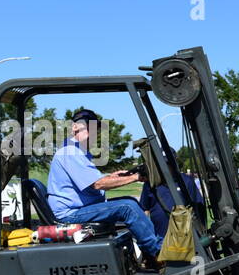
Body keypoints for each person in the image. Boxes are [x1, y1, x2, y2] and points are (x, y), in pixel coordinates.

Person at [46, 109, 163, 259]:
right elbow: (97, 184)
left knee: (131, 202)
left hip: (79, 208)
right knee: (127, 207)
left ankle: (150, 251)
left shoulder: (78, 152)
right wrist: (135, 177)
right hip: (71, 214)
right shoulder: (70, 152)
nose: (94, 133)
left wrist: (113, 176)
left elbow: (92, 180)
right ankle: (157, 253)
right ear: (75, 127)